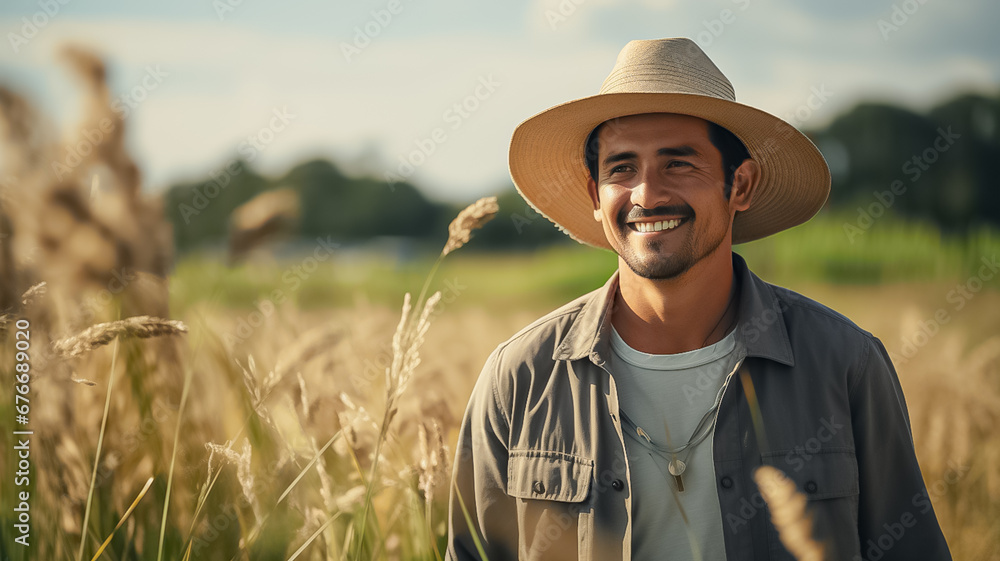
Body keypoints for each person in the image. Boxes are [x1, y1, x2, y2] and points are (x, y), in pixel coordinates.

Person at [445, 37, 952, 561]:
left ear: (741, 184)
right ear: (596, 196)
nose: (647, 194)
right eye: (621, 168)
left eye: (678, 164)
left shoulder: (844, 364)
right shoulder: (521, 376)